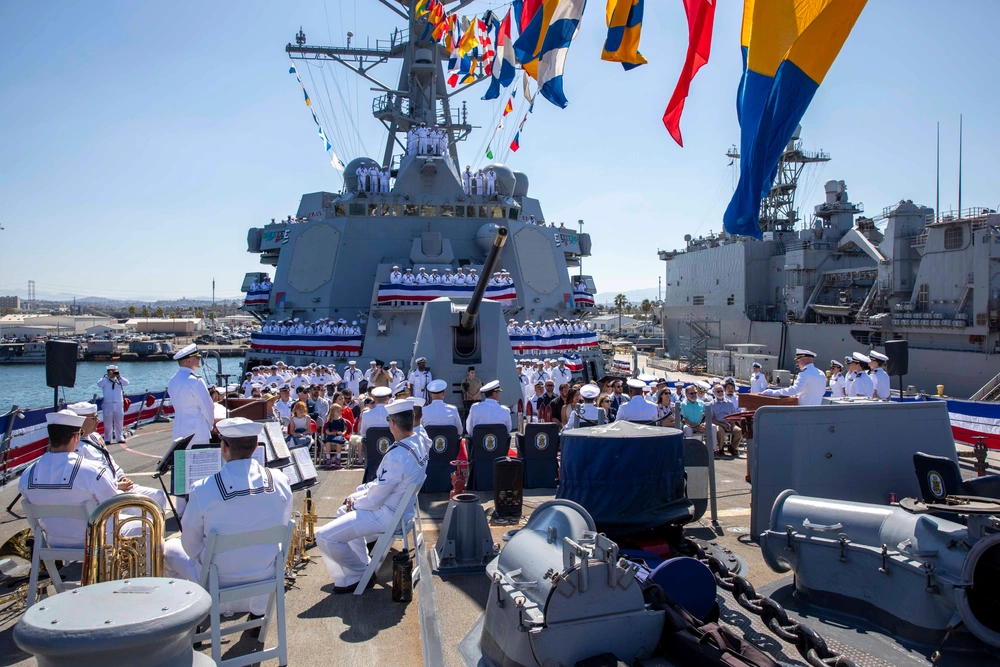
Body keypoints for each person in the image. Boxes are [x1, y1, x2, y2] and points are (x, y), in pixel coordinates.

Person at [163, 418, 293, 615]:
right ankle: (258, 613)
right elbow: (283, 525)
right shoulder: (281, 481)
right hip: (266, 576)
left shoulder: (202, 489)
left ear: (223, 447)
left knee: (168, 550)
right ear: (256, 446)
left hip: (218, 582)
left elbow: (190, 545)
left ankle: (188, 617)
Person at [315, 399, 427, 593]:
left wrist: (356, 504)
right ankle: (359, 567)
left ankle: (360, 573)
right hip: (402, 510)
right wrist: (356, 499)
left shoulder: (398, 454)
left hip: (387, 515)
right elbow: (383, 487)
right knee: (343, 510)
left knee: (324, 536)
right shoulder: (419, 441)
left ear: (392, 423)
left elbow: (376, 498)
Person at [19, 410, 131, 548]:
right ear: (75, 438)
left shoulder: (27, 474)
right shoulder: (93, 471)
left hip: (54, 541)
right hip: (96, 541)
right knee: (148, 525)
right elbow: (113, 506)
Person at [66, 402, 168, 512]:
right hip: (104, 495)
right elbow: (87, 481)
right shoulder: (75, 447)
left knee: (159, 496)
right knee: (140, 509)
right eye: (94, 417)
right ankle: (144, 529)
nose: (98, 420)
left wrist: (121, 477)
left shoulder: (95, 437)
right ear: (81, 420)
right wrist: (117, 485)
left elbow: (110, 462)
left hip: (118, 485)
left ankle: (154, 529)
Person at [167, 344, 216, 445]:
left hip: (178, 431)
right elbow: (208, 408)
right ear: (189, 361)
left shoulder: (173, 380)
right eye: (197, 357)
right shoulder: (195, 380)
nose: (199, 359)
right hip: (198, 433)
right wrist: (210, 426)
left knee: (182, 460)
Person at [761, 349, 827, 406]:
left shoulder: (805, 373)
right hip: (817, 410)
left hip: (804, 411)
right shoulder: (821, 373)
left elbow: (794, 390)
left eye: (798, 361)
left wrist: (772, 393)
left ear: (805, 359)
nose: (797, 364)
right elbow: (822, 392)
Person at [97, 365, 129, 444]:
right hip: (108, 403)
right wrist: (108, 377)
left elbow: (126, 383)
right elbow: (99, 384)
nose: (114, 373)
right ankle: (108, 439)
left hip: (118, 403)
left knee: (119, 421)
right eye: (112, 371)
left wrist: (119, 376)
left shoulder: (119, 380)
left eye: (115, 371)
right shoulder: (104, 380)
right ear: (108, 372)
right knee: (108, 422)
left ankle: (120, 438)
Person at [709, 385, 742, 456]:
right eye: (718, 391)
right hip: (718, 424)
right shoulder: (711, 404)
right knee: (720, 431)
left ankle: (732, 448)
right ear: (714, 392)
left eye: (721, 391)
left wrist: (731, 424)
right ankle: (720, 449)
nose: (720, 393)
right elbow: (712, 419)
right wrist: (722, 425)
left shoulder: (729, 403)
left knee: (739, 431)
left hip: (729, 423)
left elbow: (734, 415)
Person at [322, 404, 349, 469]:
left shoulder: (342, 420)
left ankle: (338, 458)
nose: (340, 412)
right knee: (327, 443)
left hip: (339, 436)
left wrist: (342, 433)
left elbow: (345, 429)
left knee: (338, 442)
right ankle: (328, 459)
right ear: (333, 411)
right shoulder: (330, 420)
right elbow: (326, 430)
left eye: (340, 410)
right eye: (338, 411)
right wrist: (331, 433)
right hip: (331, 436)